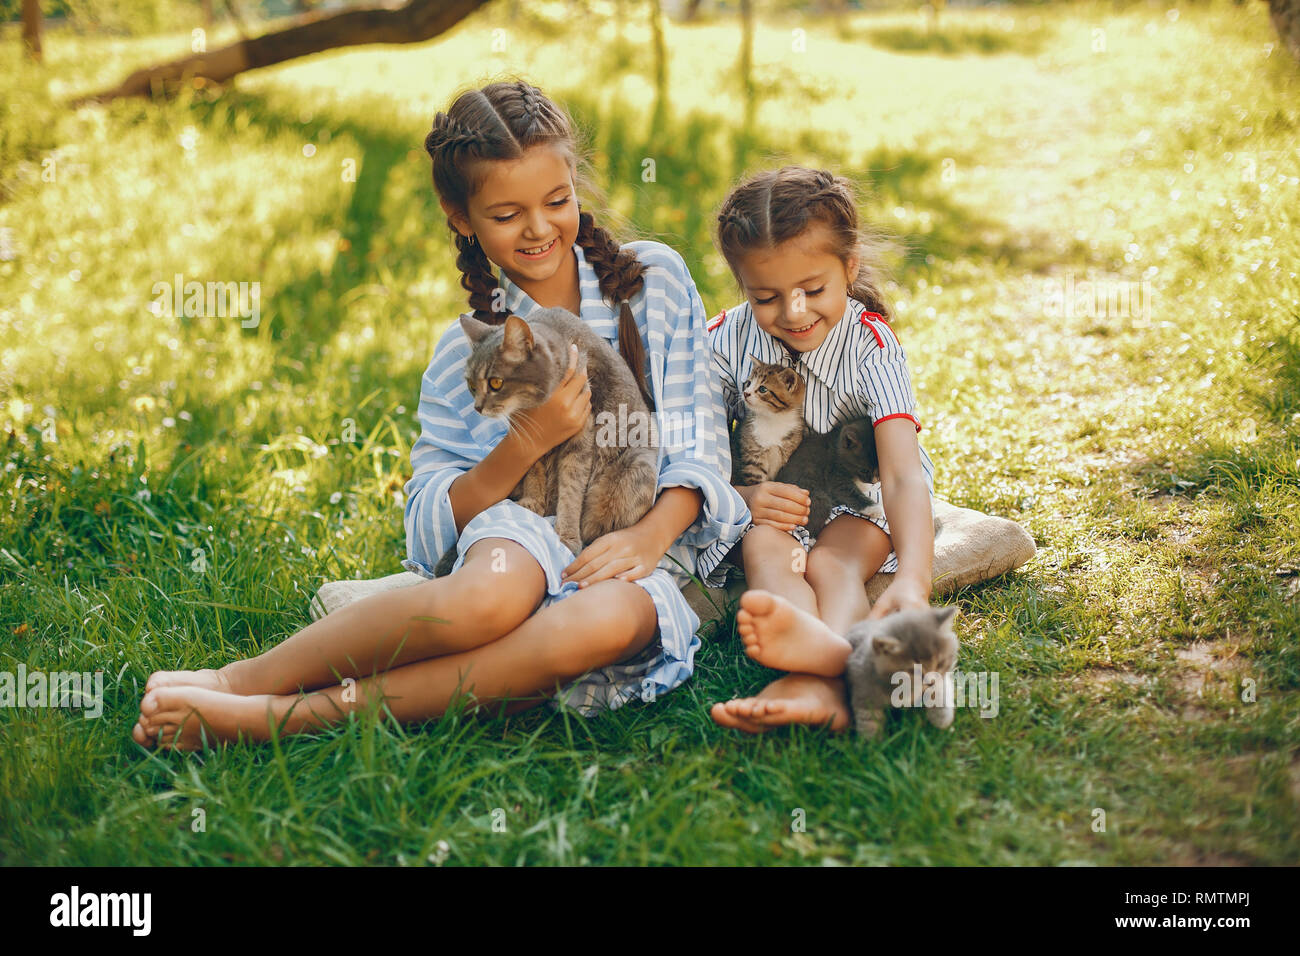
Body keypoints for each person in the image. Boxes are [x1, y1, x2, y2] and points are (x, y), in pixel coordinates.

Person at [132, 79, 747, 750]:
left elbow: (698, 440)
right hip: (527, 534)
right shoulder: (472, 351)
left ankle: (273, 719)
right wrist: (525, 444)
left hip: (647, 541)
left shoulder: (650, 282)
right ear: (462, 217)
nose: (540, 228)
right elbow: (432, 520)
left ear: (576, 184)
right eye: (508, 214)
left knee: (594, 628)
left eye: (557, 201)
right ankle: (238, 680)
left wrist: (650, 537)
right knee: (485, 600)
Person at [707, 166, 937, 733]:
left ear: (849, 268)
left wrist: (913, 578)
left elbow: (904, 476)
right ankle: (834, 672)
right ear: (742, 285)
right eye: (766, 296)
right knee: (770, 552)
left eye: (813, 290)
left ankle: (813, 673)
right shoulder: (722, 341)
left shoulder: (872, 344)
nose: (793, 312)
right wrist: (742, 496)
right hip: (776, 504)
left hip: (857, 502)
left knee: (834, 563)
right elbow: (693, 451)